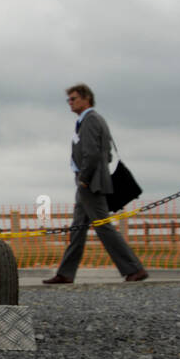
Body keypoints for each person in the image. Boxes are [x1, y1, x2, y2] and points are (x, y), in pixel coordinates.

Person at [43, 83, 148, 284]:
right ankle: (65, 273)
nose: (70, 103)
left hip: (90, 184)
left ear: (86, 99)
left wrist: (84, 179)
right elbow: (106, 154)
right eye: (69, 99)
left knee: (103, 227)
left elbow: (91, 153)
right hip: (88, 183)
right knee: (78, 228)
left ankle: (134, 269)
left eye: (73, 99)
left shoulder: (90, 120)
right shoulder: (89, 121)